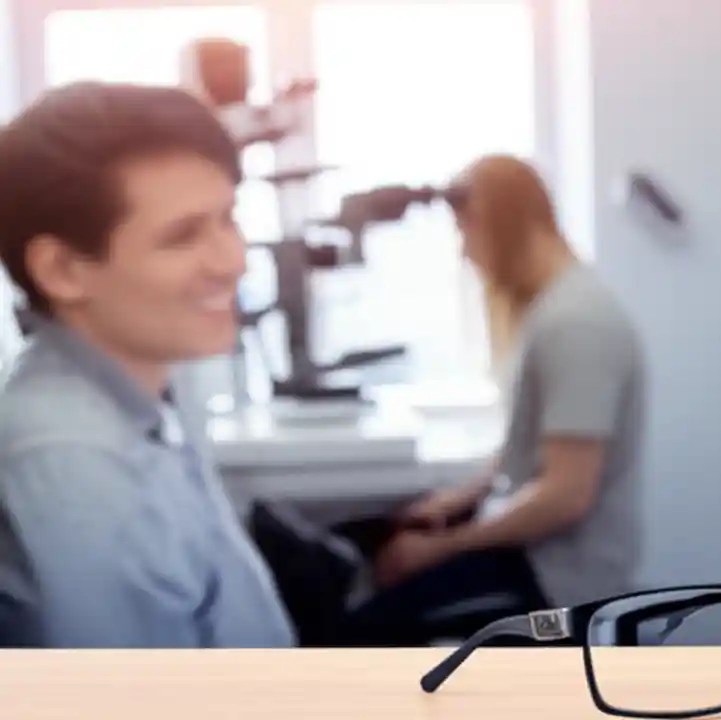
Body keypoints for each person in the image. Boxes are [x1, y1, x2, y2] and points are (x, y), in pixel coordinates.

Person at [0, 82, 293, 647]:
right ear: (61, 270)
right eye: (182, 236)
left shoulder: (141, 397)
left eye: (227, 219)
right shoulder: (72, 457)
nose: (233, 261)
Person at [325, 155, 646, 644]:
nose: (465, 252)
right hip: (535, 557)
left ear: (498, 222)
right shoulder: (553, 311)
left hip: (561, 583)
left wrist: (442, 549)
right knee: (373, 553)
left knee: (362, 631)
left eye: (465, 232)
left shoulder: (577, 324)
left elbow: (565, 495)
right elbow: (538, 448)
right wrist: (466, 496)